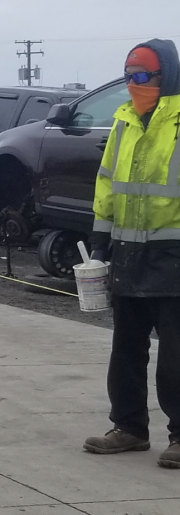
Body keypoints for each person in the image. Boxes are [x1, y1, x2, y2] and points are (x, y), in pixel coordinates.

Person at [83, 39, 180, 470]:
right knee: (126, 347)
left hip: (173, 254)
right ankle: (129, 428)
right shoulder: (124, 122)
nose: (134, 85)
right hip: (128, 252)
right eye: (128, 77)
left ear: (167, 77)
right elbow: (108, 186)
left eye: (142, 76)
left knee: (177, 352)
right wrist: (99, 246)